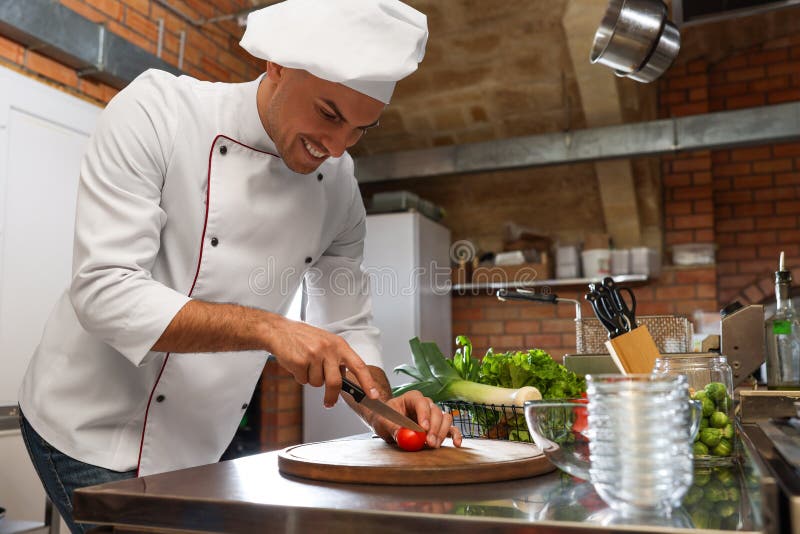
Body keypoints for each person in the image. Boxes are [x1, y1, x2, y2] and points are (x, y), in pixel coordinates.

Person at [17, 0, 461, 531]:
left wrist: (382, 408)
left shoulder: (340, 189)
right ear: (277, 64)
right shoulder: (159, 111)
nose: (338, 148)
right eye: (328, 114)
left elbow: (347, 323)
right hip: (88, 423)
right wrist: (271, 330)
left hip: (200, 441)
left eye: (360, 130)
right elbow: (105, 292)